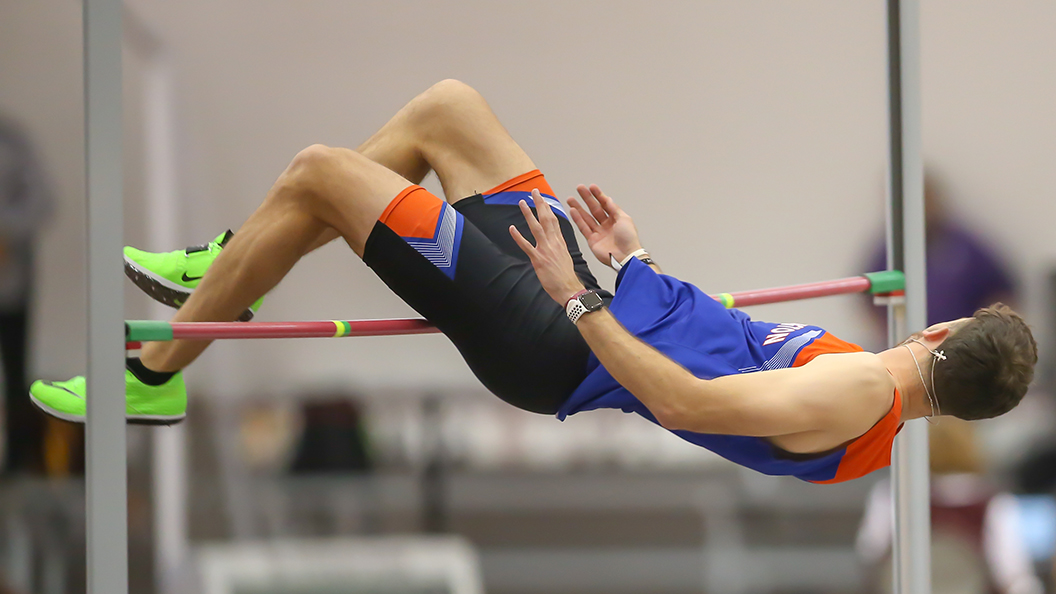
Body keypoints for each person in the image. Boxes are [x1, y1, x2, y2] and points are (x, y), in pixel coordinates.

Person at [29, 80, 1038, 484]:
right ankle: (227, 269)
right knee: (448, 110)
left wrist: (579, 296)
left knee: (321, 174)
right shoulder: (864, 380)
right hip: (592, 292)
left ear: (943, 337)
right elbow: (715, 347)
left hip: (552, 333)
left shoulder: (862, 392)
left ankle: (160, 366)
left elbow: (685, 397)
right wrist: (635, 260)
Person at [0, 115, 54, 474]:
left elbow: (43, 202)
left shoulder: (13, 142)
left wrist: (6, 231)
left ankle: (20, 462)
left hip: (10, 283)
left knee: (15, 371)